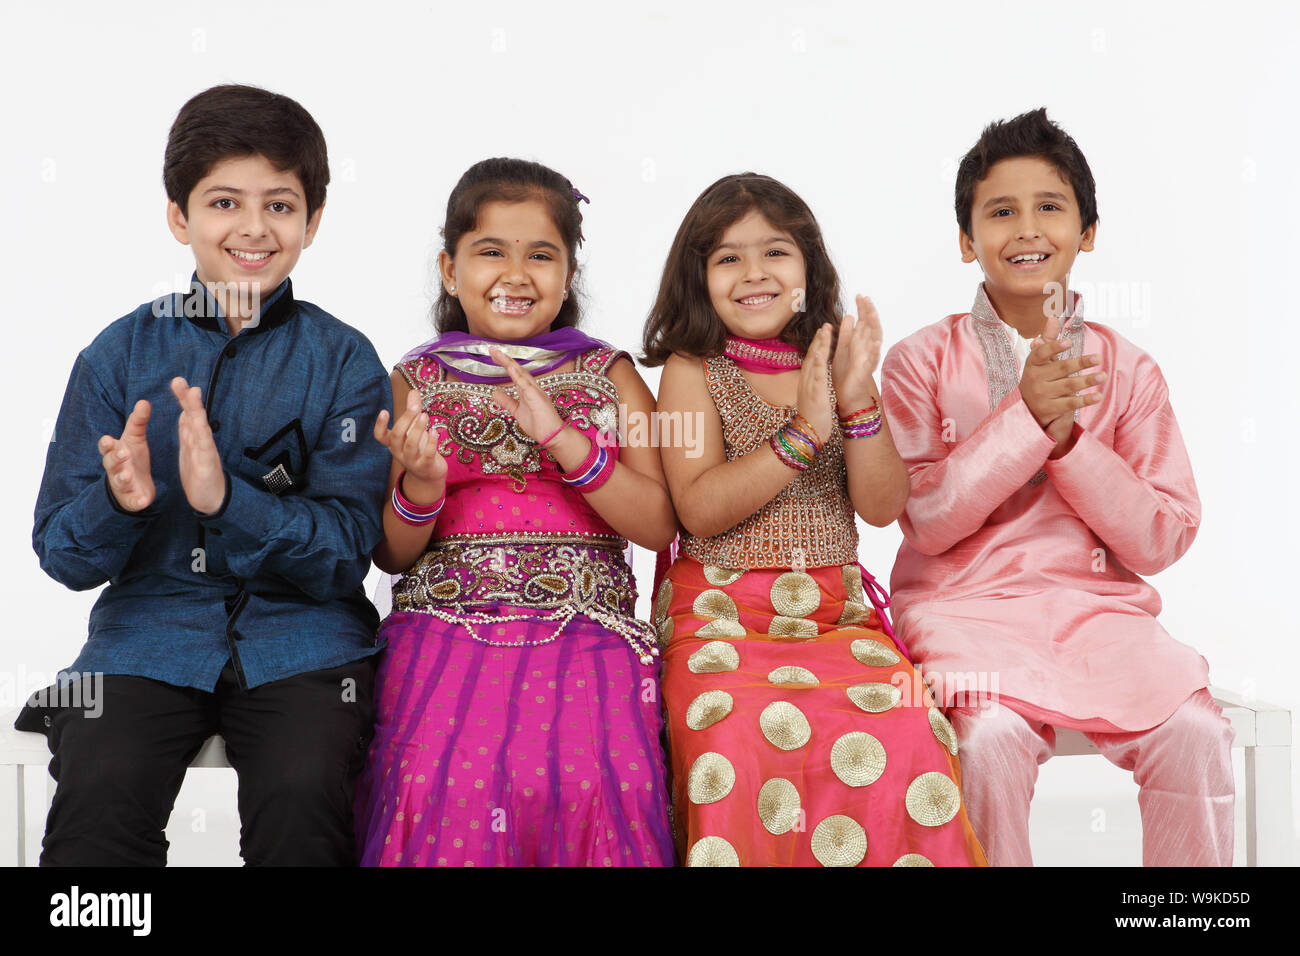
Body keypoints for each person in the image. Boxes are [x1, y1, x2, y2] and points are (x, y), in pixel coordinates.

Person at [18, 84, 391, 865]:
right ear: (179, 216)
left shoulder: (345, 361)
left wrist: (232, 503)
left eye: (281, 206)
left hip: (307, 647)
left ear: (313, 222)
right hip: (147, 641)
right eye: (224, 202)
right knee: (102, 784)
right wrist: (121, 504)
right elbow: (60, 553)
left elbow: (345, 552)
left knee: (303, 789)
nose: (253, 229)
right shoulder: (118, 355)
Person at [881, 107, 1234, 866]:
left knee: (1197, 734)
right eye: (1000, 212)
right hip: (962, 612)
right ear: (968, 240)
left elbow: (1161, 536)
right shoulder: (918, 361)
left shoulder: (1130, 369)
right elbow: (924, 522)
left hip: (1099, 617)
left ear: (1089, 229)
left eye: (1050, 207)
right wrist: (1024, 420)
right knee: (990, 739)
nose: (1026, 229)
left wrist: (1069, 439)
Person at [642, 172, 987, 867]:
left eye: (775, 252)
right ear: (697, 277)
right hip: (721, 619)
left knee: (907, 729)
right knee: (735, 738)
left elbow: (883, 507)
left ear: (809, 267)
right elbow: (701, 508)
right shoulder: (692, 369)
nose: (753, 274)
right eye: (727, 258)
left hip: (834, 619)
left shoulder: (832, 363)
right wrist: (803, 432)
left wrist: (857, 399)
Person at [354, 157, 677, 866]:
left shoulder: (610, 372)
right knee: (436, 777)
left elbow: (657, 525)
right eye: (490, 251)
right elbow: (392, 553)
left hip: (587, 624)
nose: (517, 273)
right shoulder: (416, 379)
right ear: (449, 268)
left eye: (541, 255)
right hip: (445, 621)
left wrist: (564, 442)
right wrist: (422, 487)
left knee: (600, 774)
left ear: (568, 275)